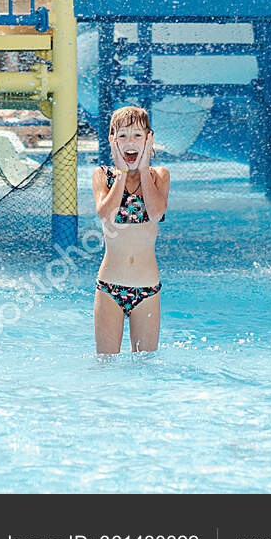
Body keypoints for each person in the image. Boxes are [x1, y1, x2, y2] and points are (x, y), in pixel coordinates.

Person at [93, 104, 169, 355]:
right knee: (105, 365)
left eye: (137, 135)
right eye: (123, 136)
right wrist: (123, 172)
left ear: (149, 138)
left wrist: (143, 168)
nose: (130, 142)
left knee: (146, 366)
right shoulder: (102, 176)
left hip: (147, 287)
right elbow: (107, 215)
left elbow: (156, 213)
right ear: (112, 140)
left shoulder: (159, 176)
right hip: (109, 287)